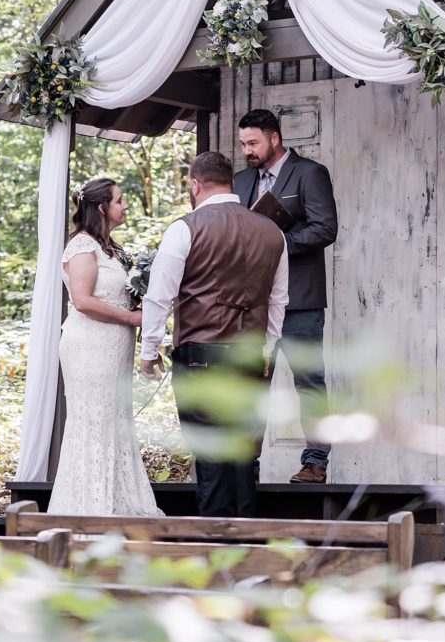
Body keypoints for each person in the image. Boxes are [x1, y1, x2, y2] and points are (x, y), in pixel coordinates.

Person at [140, 151, 288, 518]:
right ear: (232, 183)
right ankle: (246, 556)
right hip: (252, 357)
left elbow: (160, 295)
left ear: (195, 184)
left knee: (210, 460)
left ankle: (215, 550)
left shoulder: (185, 228)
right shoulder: (273, 232)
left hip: (201, 355)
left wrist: (149, 350)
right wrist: (268, 350)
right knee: (242, 460)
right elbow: (278, 300)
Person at [233, 108, 338, 484]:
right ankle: (247, 466)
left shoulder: (309, 174)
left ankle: (315, 463)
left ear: (274, 138)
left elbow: (325, 229)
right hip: (254, 305)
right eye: (244, 143)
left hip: (300, 302)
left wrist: (275, 244)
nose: (247, 149)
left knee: (309, 382)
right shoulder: (241, 180)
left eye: (253, 142)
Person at [50, 177, 160, 517]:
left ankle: (119, 505)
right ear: (101, 208)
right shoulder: (82, 247)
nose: (125, 206)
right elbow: (82, 301)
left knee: (116, 422)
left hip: (115, 351)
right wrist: (131, 320)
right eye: (119, 201)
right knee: (94, 424)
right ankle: (90, 510)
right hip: (90, 349)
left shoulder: (111, 248)